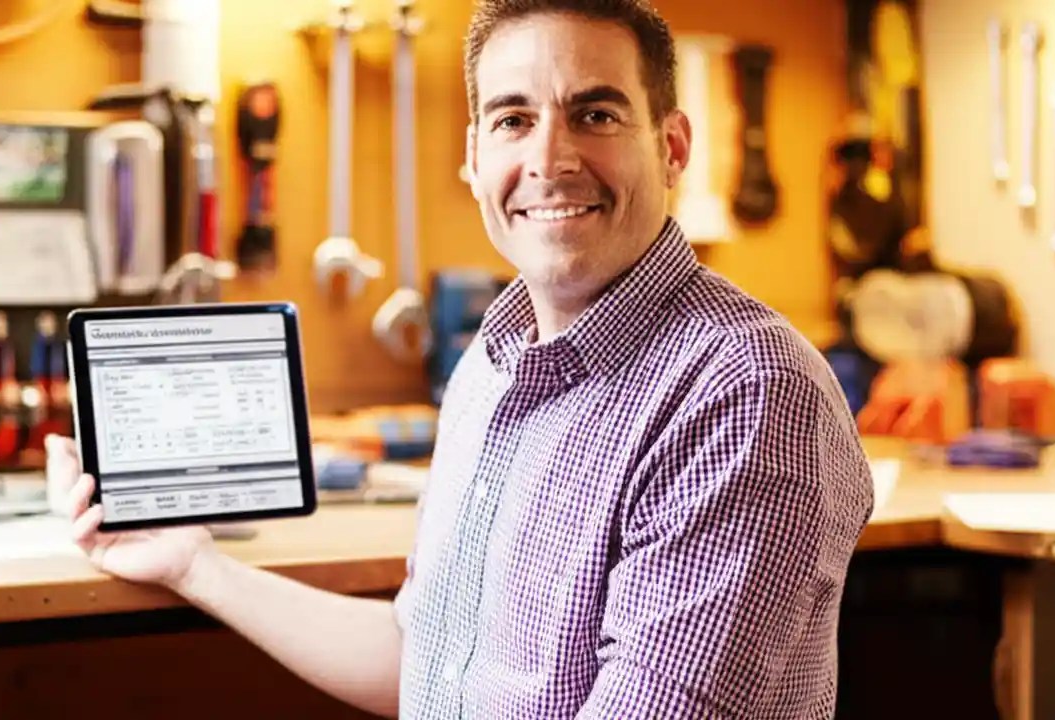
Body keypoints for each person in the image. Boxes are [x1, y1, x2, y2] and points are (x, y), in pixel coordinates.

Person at [51, 0, 876, 717]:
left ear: (672, 147)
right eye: (514, 119)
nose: (549, 159)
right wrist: (195, 565)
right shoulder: (494, 360)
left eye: (595, 114)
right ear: (474, 157)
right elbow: (430, 664)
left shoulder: (746, 392)